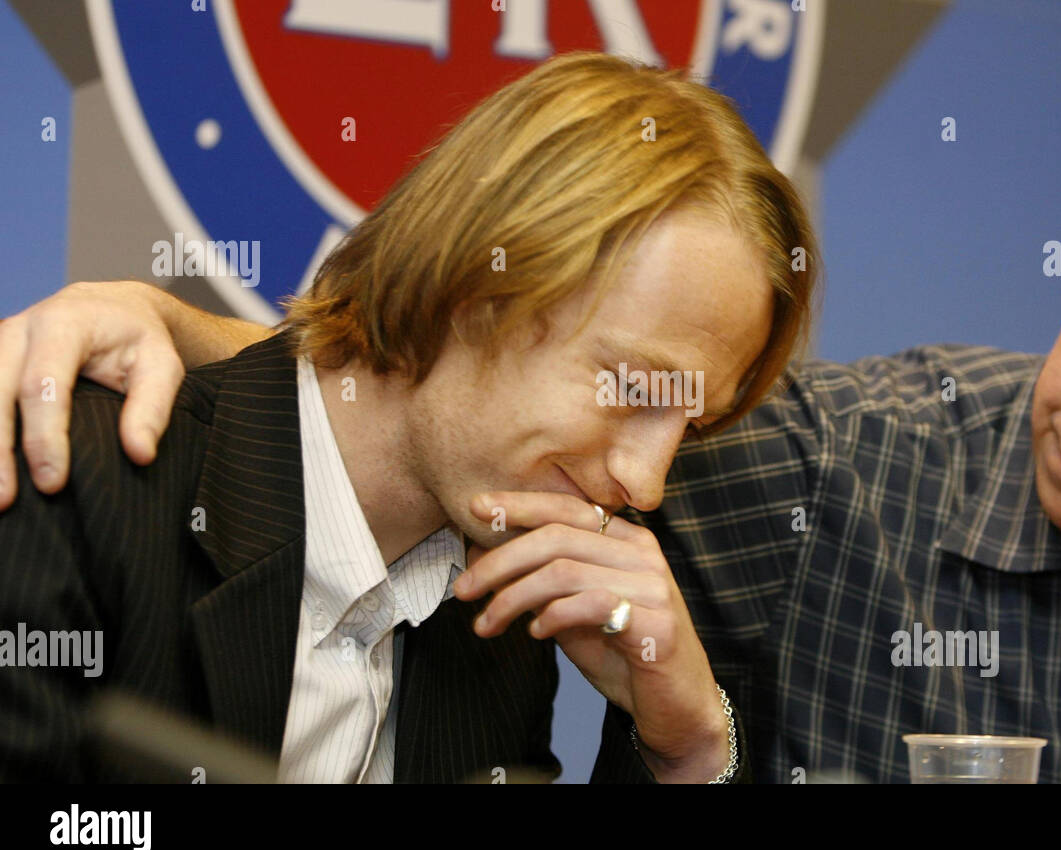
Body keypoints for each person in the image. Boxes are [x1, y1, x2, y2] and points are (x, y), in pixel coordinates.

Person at [8, 113, 1061, 783]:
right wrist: (160, 319)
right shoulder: (856, 465)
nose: (644, 484)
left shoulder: (507, 584)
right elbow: (384, 395)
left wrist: (690, 742)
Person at [0, 52, 819, 782]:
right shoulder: (69, 489)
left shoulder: (498, 621)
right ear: (474, 280)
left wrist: (687, 749)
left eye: (692, 427)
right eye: (637, 388)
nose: (644, 484)